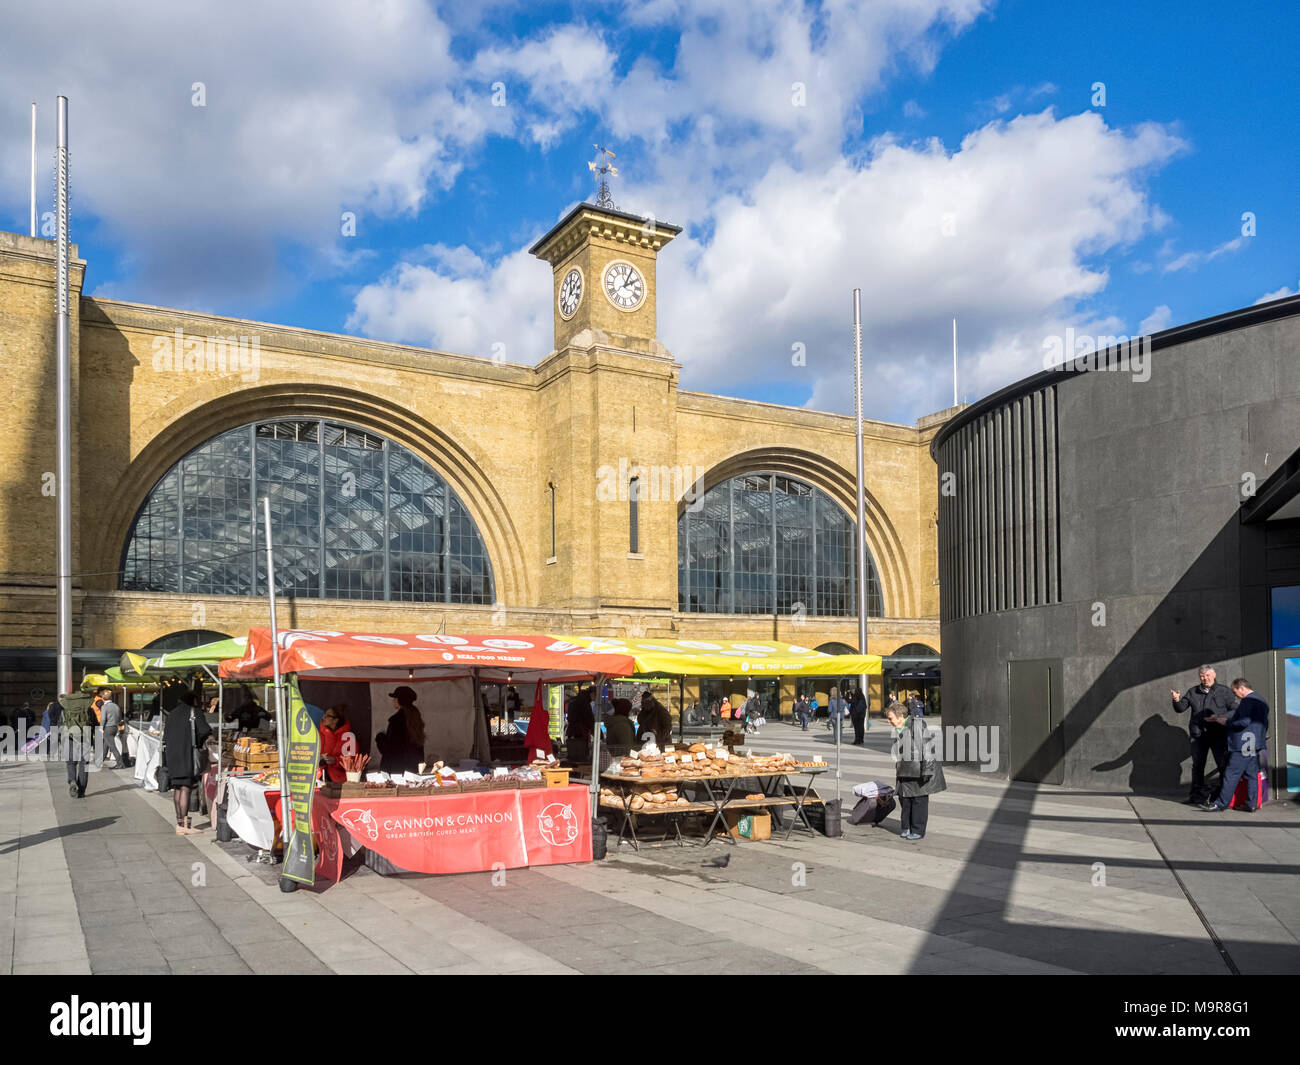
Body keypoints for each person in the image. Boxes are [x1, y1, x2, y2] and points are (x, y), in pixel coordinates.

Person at [1171, 665, 1235, 805]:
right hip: (1198, 736)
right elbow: (1181, 708)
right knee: (1198, 766)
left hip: (1219, 736)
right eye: (1202, 676)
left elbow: (1234, 709)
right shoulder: (1193, 691)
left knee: (1223, 765)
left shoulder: (1224, 691)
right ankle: (1196, 797)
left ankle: (1221, 797)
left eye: (1207, 675)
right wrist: (1176, 700)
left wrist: (1219, 717)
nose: (1205, 678)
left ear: (1214, 675)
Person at [1203, 678, 1269, 812]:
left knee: (1231, 773)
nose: (1235, 695)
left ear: (1242, 688)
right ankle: (1251, 804)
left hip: (1242, 743)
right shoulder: (1262, 701)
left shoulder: (1247, 701)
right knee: (1251, 774)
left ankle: (1220, 804)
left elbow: (1243, 722)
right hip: (1254, 742)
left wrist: (1228, 723)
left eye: (1235, 691)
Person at [887, 700, 946, 840]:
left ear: (900, 716)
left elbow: (927, 747)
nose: (889, 721)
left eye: (891, 718)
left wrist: (927, 769)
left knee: (918, 800)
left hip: (918, 770)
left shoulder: (917, 725)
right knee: (905, 799)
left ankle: (918, 829)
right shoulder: (898, 729)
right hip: (906, 770)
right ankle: (906, 826)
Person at [162, 681, 212, 834]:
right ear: (194, 700)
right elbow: (204, 730)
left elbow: (165, 736)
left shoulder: (171, 714)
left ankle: (179, 824)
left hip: (172, 755)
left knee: (177, 788)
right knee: (185, 788)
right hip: (186, 754)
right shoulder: (194, 712)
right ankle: (185, 826)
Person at [376, 686, 425, 775]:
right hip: (412, 768)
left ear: (400, 700)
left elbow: (389, 749)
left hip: (396, 769)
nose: (393, 700)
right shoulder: (415, 718)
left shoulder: (396, 721)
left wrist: (380, 737)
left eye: (395, 698)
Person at [60, 689, 94, 798]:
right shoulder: (88, 707)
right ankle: (81, 791)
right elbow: (94, 723)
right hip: (85, 737)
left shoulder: (65, 707)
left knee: (71, 762)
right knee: (84, 763)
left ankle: (72, 781)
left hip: (69, 737)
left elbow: (60, 723)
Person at [318, 704, 356, 783]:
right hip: (317, 778)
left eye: (327, 716)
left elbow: (352, 762)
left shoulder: (348, 737)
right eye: (324, 715)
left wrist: (336, 761)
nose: (323, 717)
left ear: (335, 720)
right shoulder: (317, 735)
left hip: (339, 781)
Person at [98, 688, 123, 769]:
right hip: (115, 727)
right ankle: (99, 762)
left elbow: (103, 718)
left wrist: (101, 728)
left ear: (103, 698)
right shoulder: (116, 706)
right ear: (111, 698)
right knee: (106, 745)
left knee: (112, 747)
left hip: (108, 728)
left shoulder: (104, 707)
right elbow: (119, 718)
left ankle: (120, 764)